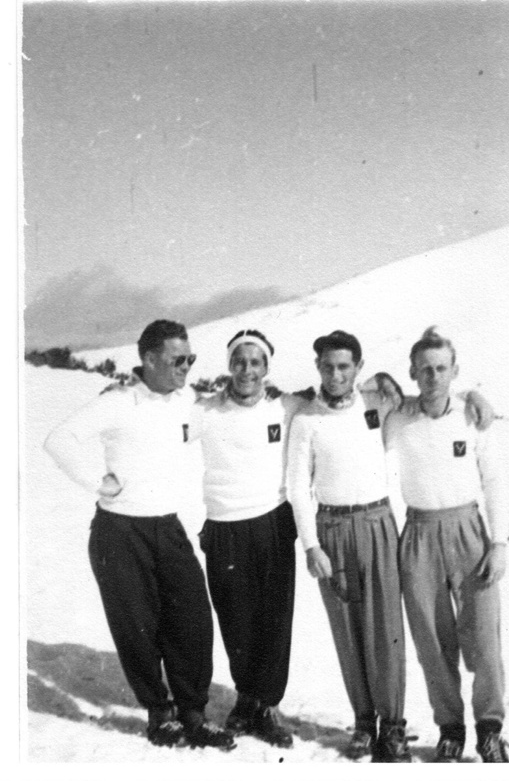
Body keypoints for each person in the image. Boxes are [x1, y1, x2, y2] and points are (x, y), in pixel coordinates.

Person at [44, 320, 235, 751]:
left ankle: (193, 713)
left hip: (166, 526)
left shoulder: (187, 400)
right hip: (119, 530)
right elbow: (59, 440)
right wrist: (98, 479)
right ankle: (159, 713)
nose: (186, 366)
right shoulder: (118, 402)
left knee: (192, 620)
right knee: (136, 627)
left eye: (191, 359)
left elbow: (232, 412)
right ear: (148, 359)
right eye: (177, 359)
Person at [384, 327, 509, 763]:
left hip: (468, 532)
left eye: (442, 368)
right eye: (425, 369)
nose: (434, 376)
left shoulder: (472, 416)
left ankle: (489, 729)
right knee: (432, 642)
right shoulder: (398, 418)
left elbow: (493, 479)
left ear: (454, 371)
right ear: (413, 374)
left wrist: (499, 542)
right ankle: (450, 729)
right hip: (419, 533)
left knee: (484, 638)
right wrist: (380, 380)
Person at [287, 330, 412, 762]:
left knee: (386, 629)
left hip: (378, 523)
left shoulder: (377, 403)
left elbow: (426, 399)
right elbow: (298, 488)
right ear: (318, 368)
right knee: (348, 629)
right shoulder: (305, 419)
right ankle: (363, 722)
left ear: (358, 368)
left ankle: (393, 724)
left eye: (344, 366)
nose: (336, 374)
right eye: (327, 366)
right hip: (332, 530)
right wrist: (311, 546)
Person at [189, 329, 302, 749]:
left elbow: (340, 399)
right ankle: (245, 698)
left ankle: (266, 707)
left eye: (255, 362)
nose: (247, 370)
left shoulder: (286, 407)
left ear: (267, 368)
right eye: (239, 361)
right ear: (229, 366)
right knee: (235, 618)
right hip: (224, 526)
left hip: (272, 523)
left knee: (274, 620)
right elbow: (163, 417)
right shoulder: (206, 411)